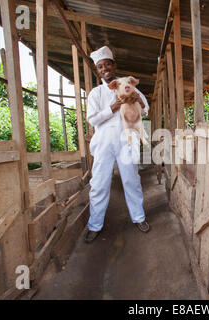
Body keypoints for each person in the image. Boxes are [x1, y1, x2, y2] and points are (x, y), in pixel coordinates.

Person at [84, 46, 150, 243]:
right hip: (104, 143)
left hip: (126, 140)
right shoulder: (96, 94)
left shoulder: (129, 86)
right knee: (99, 183)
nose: (104, 68)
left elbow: (145, 110)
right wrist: (112, 107)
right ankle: (95, 225)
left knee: (131, 180)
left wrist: (137, 99)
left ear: (113, 65)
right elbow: (92, 120)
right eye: (100, 66)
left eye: (107, 64)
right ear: (98, 70)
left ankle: (139, 218)